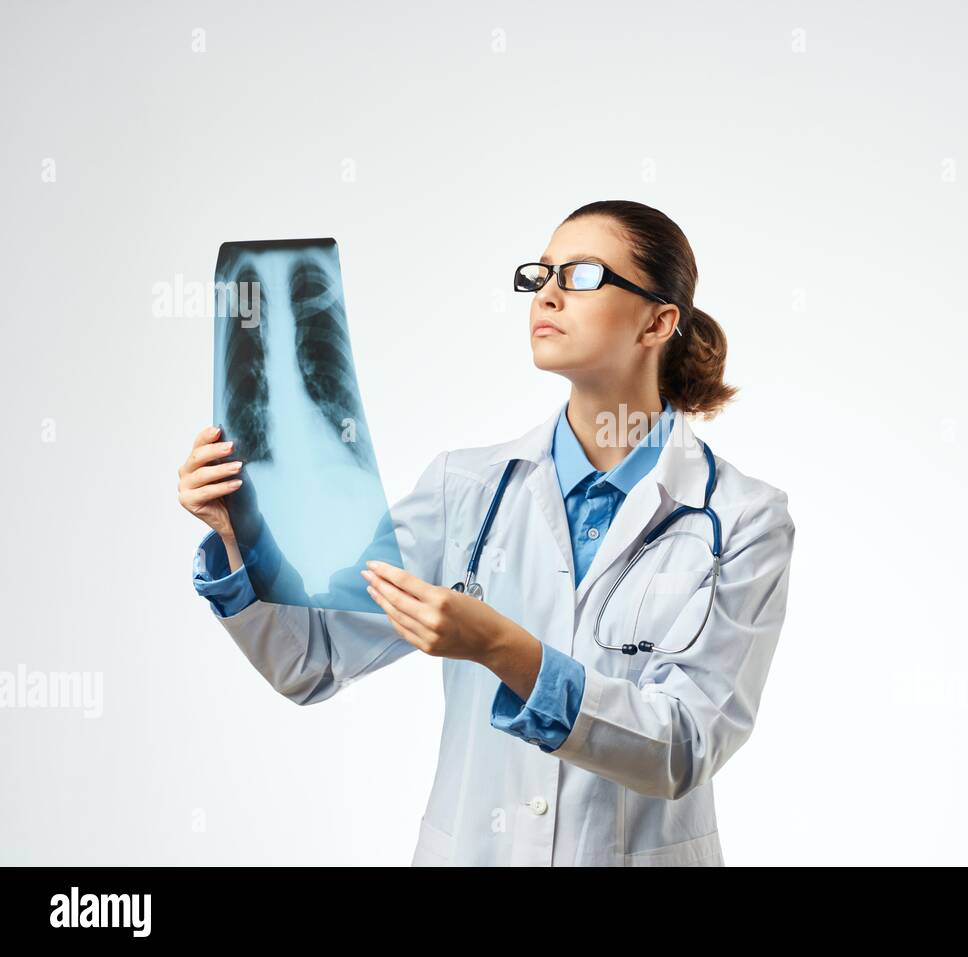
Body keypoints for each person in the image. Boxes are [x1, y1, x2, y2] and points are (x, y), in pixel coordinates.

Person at [177, 200, 796, 866]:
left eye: (582, 276)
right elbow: (313, 658)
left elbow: (685, 744)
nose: (548, 295)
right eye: (541, 275)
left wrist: (501, 647)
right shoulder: (463, 490)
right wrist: (240, 535)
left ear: (658, 320)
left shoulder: (742, 517)